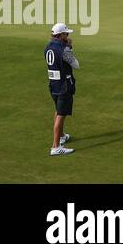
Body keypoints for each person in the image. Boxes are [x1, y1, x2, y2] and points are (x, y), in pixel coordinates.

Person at [46, 22, 80, 156]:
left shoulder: (48, 47)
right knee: (61, 115)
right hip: (63, 86)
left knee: (58, 111)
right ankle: (56, 147)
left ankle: (61, 136)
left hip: (53, 84)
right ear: (60, 35)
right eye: (66, 34)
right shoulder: (64, 49)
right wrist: (70, 47)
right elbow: (76, 65)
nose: (68, 35)